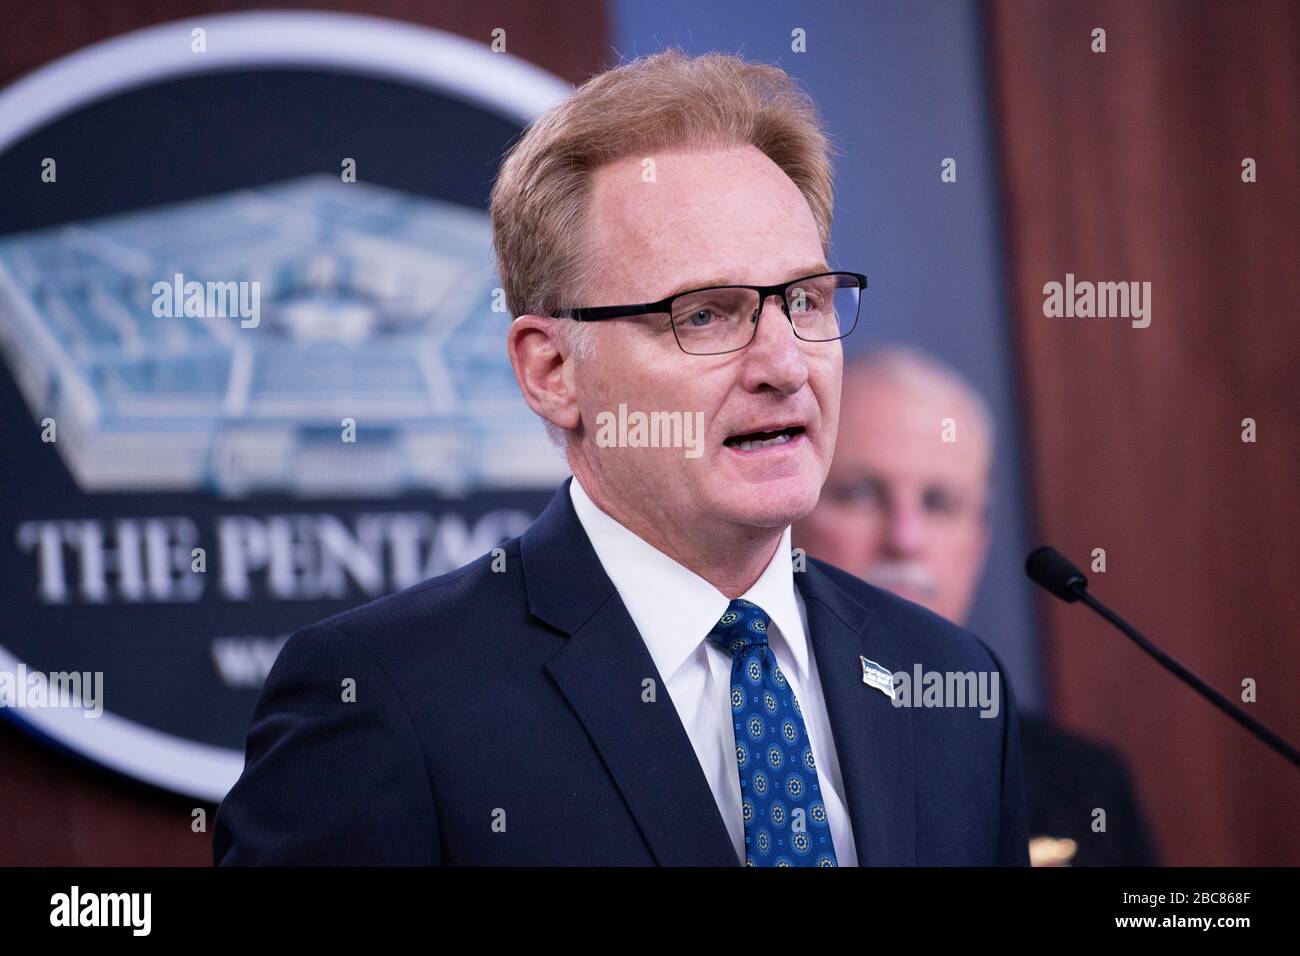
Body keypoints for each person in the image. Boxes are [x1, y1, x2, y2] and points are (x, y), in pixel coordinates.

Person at [213, 49, 1029, 866]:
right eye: (705, 315)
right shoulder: (388, 700)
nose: (785, 364)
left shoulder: (948, 681)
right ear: (552, 371)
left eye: (805, 301)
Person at [794, 346, 1159, 866]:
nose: (905, 538)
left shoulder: (1087, 786)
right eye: (858, 494)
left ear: (980, 539)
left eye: (939, 502)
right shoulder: (754, 745)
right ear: (787, 522)